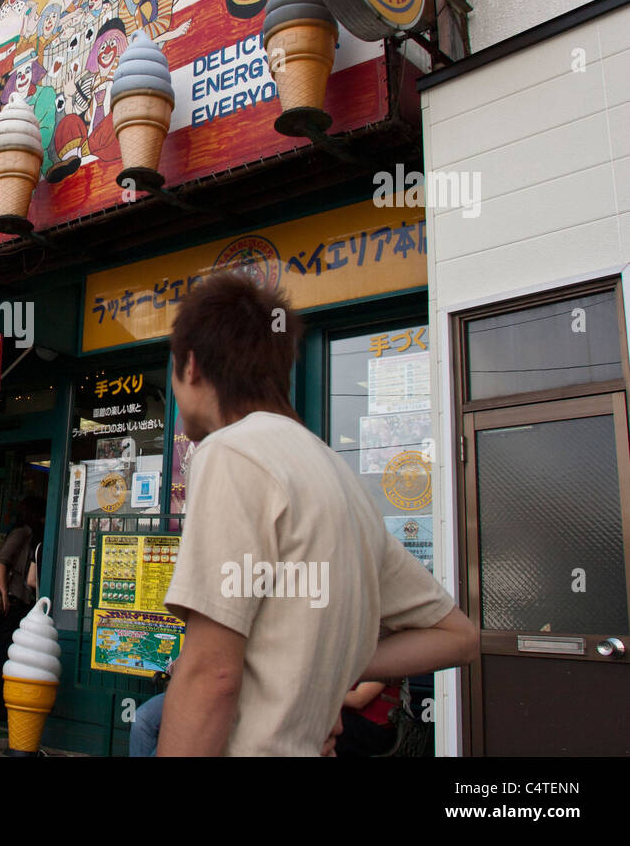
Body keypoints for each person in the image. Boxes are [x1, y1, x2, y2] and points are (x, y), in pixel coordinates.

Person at [158, 272, 478, 756]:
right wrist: (327, 664)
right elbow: (458, 636)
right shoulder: (337, 474)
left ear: (192, 366)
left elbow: (212, 673)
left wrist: (327, 664)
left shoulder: (232, 453)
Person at [0, 495, 43, 718]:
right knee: (3, 651)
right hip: (13, 601)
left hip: (18, 600)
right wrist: (4, 594)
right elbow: (1, 560)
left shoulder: (31, 535)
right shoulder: (23, 533)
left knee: (5, 651)